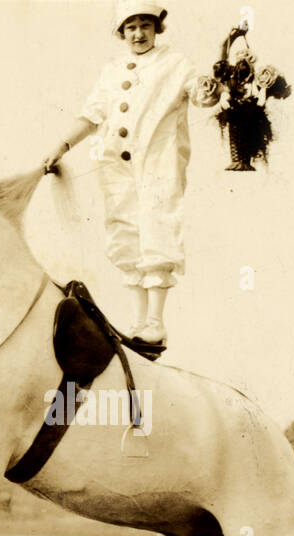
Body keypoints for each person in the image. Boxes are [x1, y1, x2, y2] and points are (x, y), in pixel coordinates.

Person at [43, 2, 211, 348]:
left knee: (157, 228)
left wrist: (210, 91)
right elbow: (91, 115)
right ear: (121, 32)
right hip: (117, 166)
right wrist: (62, 145)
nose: (138, 33)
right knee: (125, 231)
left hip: (157, 162)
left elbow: (200, 93)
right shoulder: (112, 70)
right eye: (131, 27)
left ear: (157, 29)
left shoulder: (175, 64)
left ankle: (155, 321)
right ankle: (138, 321)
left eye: (145, 26)